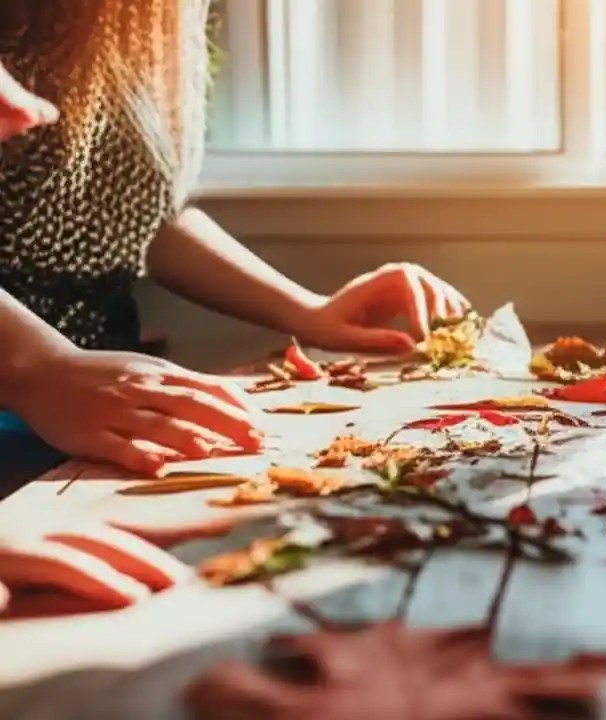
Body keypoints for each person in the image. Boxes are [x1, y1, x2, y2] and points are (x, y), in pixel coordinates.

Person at [0, 0, 469, 480]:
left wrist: (309, 312)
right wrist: (37, 365)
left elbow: (137, 216)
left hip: (108, 405)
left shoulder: (133, 22)